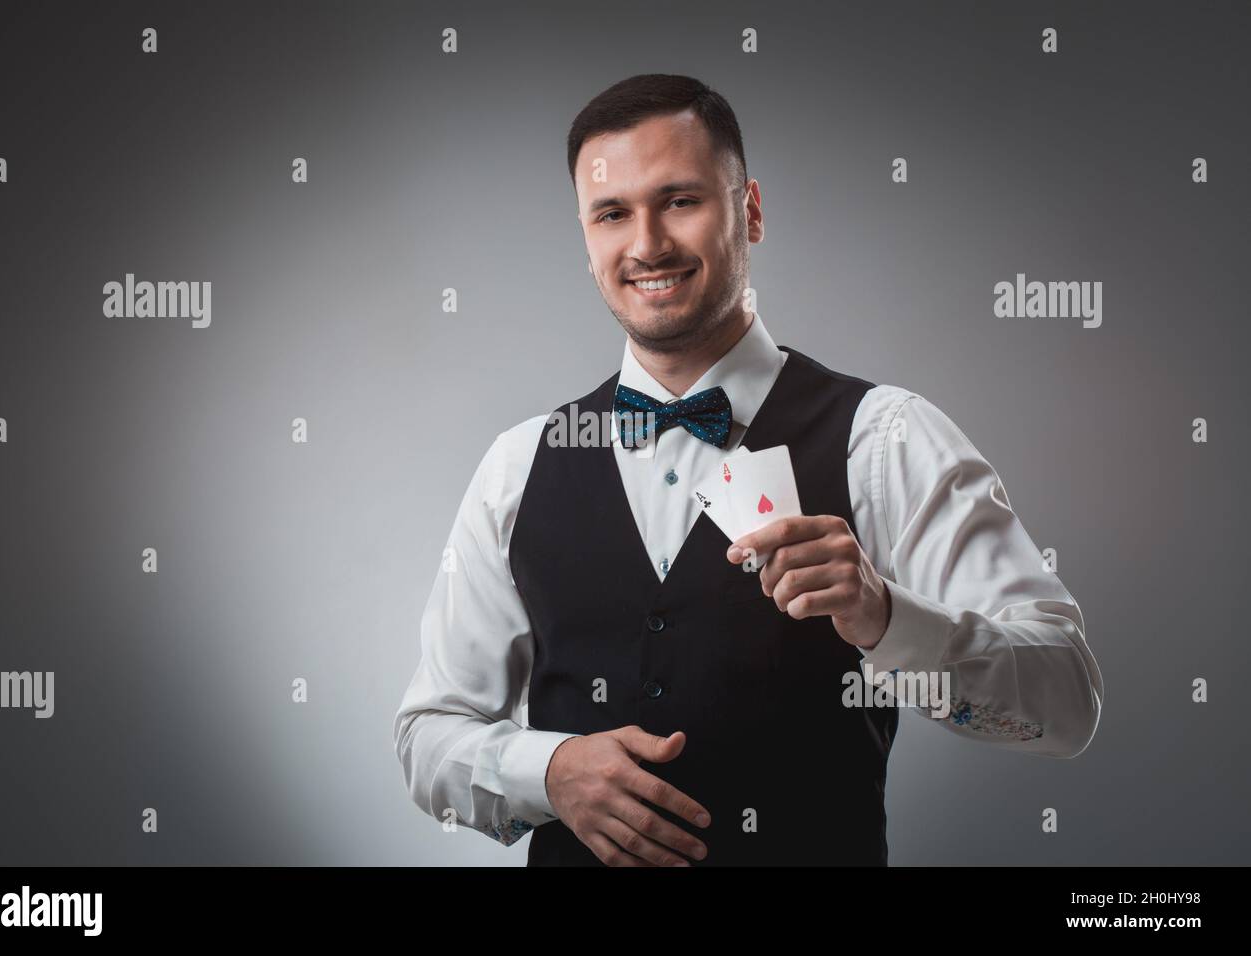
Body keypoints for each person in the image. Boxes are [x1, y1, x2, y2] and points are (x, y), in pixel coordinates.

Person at [393, 73, 1103, 867]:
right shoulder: (517, 467)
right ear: (586, 237)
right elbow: (427, 737)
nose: (648, 244)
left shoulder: (885, 439)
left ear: (750, 210)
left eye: (680, 200)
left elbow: (1067, 704)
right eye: (612, 213)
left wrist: (884, 617)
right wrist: (548, 770)